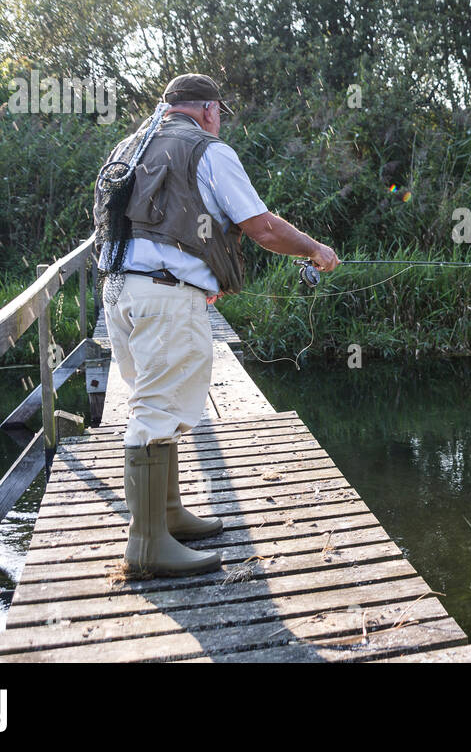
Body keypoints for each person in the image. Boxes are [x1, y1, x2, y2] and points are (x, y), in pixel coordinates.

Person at [92, 73, 339, 577]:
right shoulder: (207, 150)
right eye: (220, 112)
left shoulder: (131, 144)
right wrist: (315, 249)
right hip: (164, 297)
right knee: (156, 409)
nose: (220, 120)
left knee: (152, 400)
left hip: (119, 289)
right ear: (206, 110)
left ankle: (167, 517)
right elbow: (262, 226)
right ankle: (145, 548)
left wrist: (205, 271)